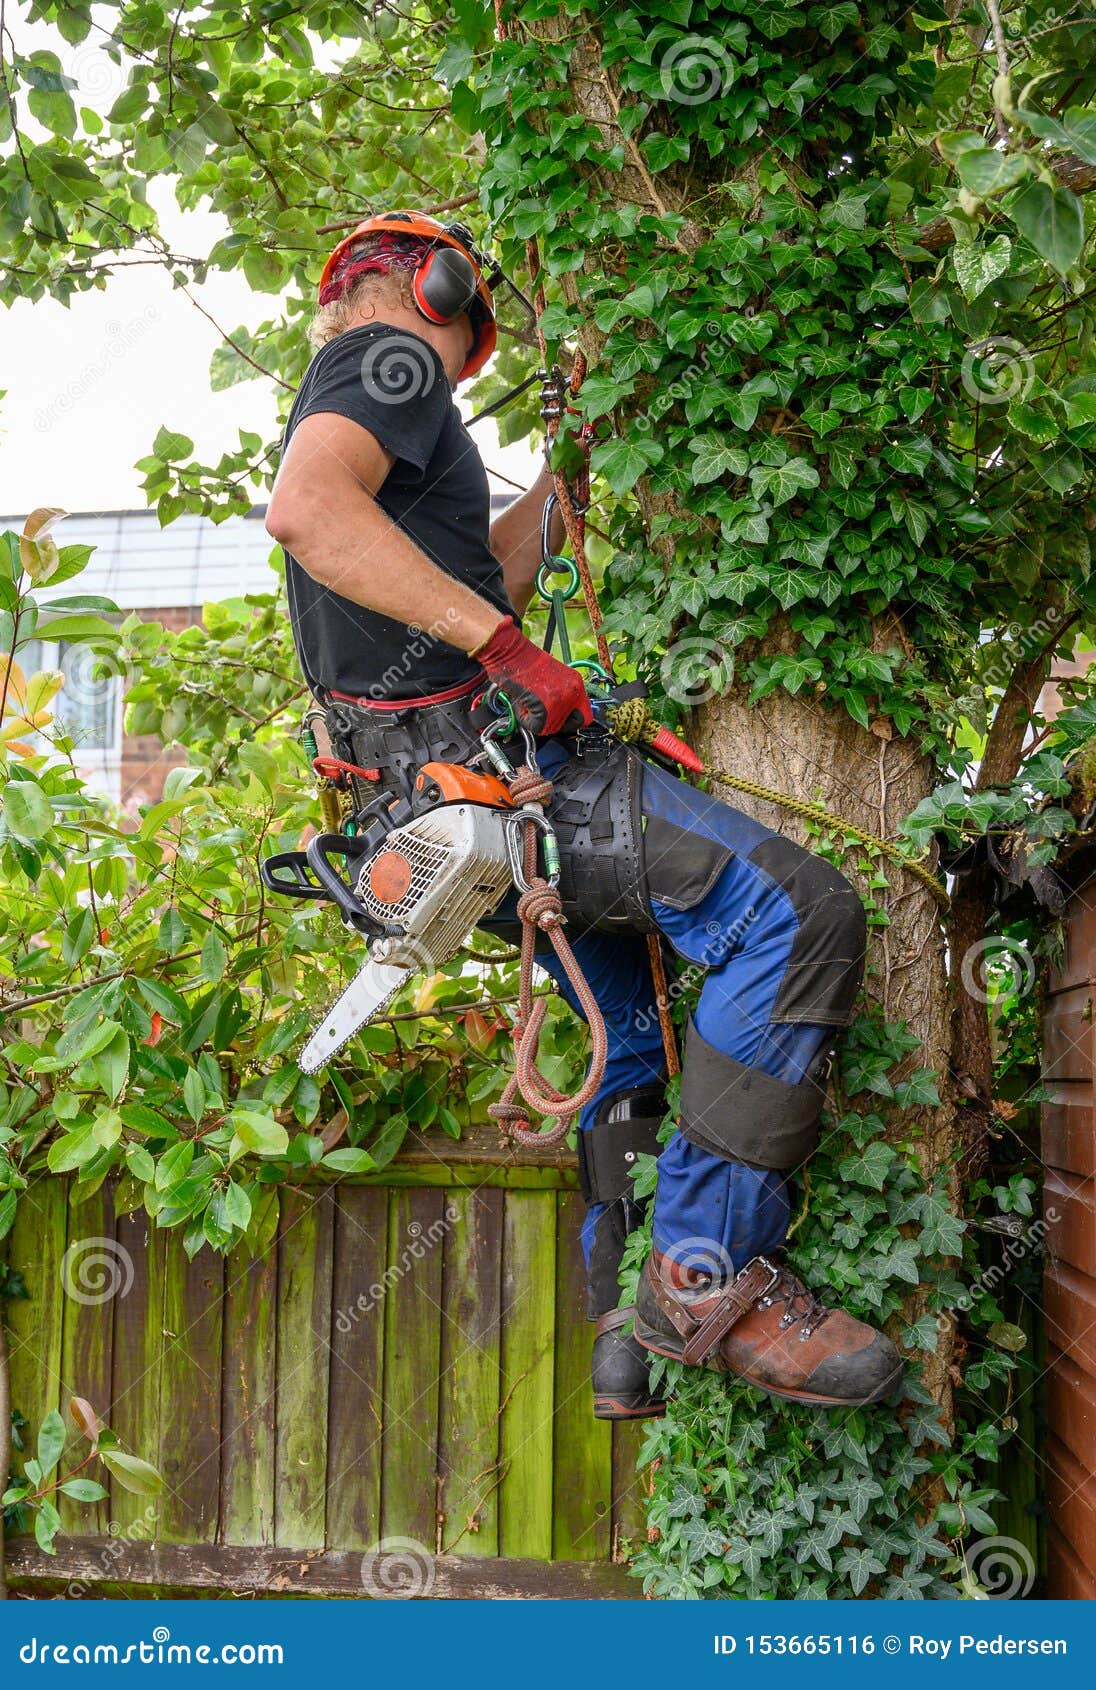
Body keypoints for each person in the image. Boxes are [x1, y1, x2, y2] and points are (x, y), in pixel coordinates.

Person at [266, 210, 902, 1420]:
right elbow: (309, 511)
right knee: (796, 915)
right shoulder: (384, 360)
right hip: (499, 774)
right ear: (431, 284)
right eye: (463, 340)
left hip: (437, 805)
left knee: (633, 1038)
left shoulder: (362, 391)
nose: (453, 374)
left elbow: (465, 579)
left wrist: (567, 479)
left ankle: (622, 1333)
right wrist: (507, 648)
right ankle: (704, 1281)